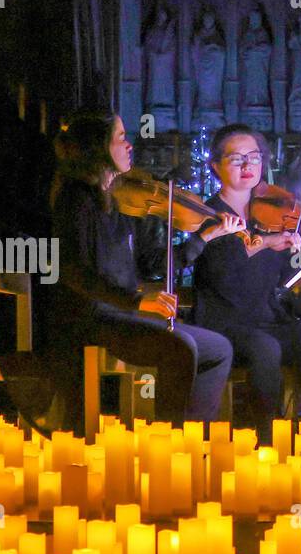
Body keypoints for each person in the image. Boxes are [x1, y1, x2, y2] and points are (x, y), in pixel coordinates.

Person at [44, 110, 236, 433]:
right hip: (92, 318)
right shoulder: (76, 200)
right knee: (180, 348)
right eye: (120, 137)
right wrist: (135, 301)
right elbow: (74, 273)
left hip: (122, 313)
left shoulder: (121, 200)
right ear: (97, 147)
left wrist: (203, 236)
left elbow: (151, 263)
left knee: (218, 349)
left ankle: (192, 435)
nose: (130, 144)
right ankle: (167, 443)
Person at [190, 123, 301, 440]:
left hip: (267, 322)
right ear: (216, 166)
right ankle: (266, 438)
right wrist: (264, 243)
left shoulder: (272, 213)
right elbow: (222, 277)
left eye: (254, 156)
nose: (248, 165)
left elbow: (289, 276)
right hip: (225, 325)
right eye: (237, 158)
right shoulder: (208, 215)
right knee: (265, 347)